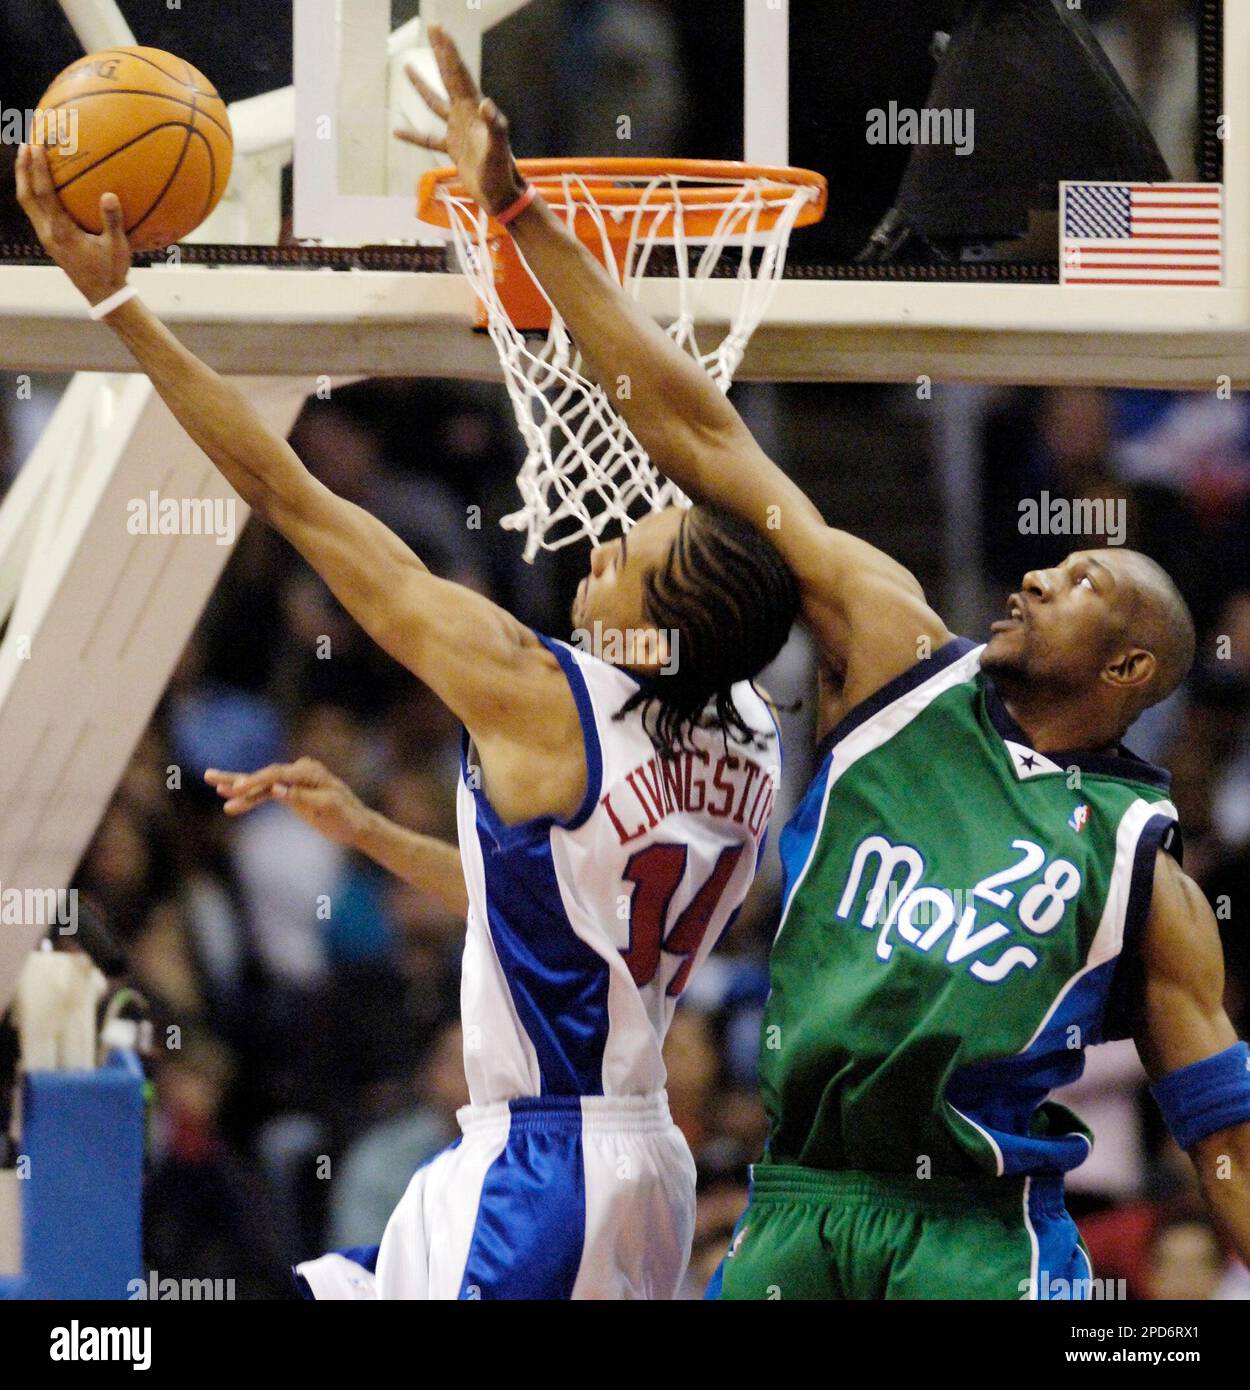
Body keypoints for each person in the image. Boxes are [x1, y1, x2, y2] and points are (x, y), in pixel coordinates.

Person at [393, 26, 1250, 1299]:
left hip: (975, 1233)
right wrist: (515, 210)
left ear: (1130, 671)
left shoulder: (1138, 867)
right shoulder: (898, 646)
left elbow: (1221, 1143)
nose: (1032, 573)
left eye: (1079, 583)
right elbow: (699, 427)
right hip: (799, 1203)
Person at [15, 139, 798, 1300]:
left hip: (545, 1171)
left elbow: (292, 497)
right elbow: (566, 918)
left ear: (668, 627)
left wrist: (118, 301)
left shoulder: (535, 694)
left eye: (638, 548)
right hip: (609, 1162)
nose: (604, 536)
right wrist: (377, 837)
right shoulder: (746, 732)